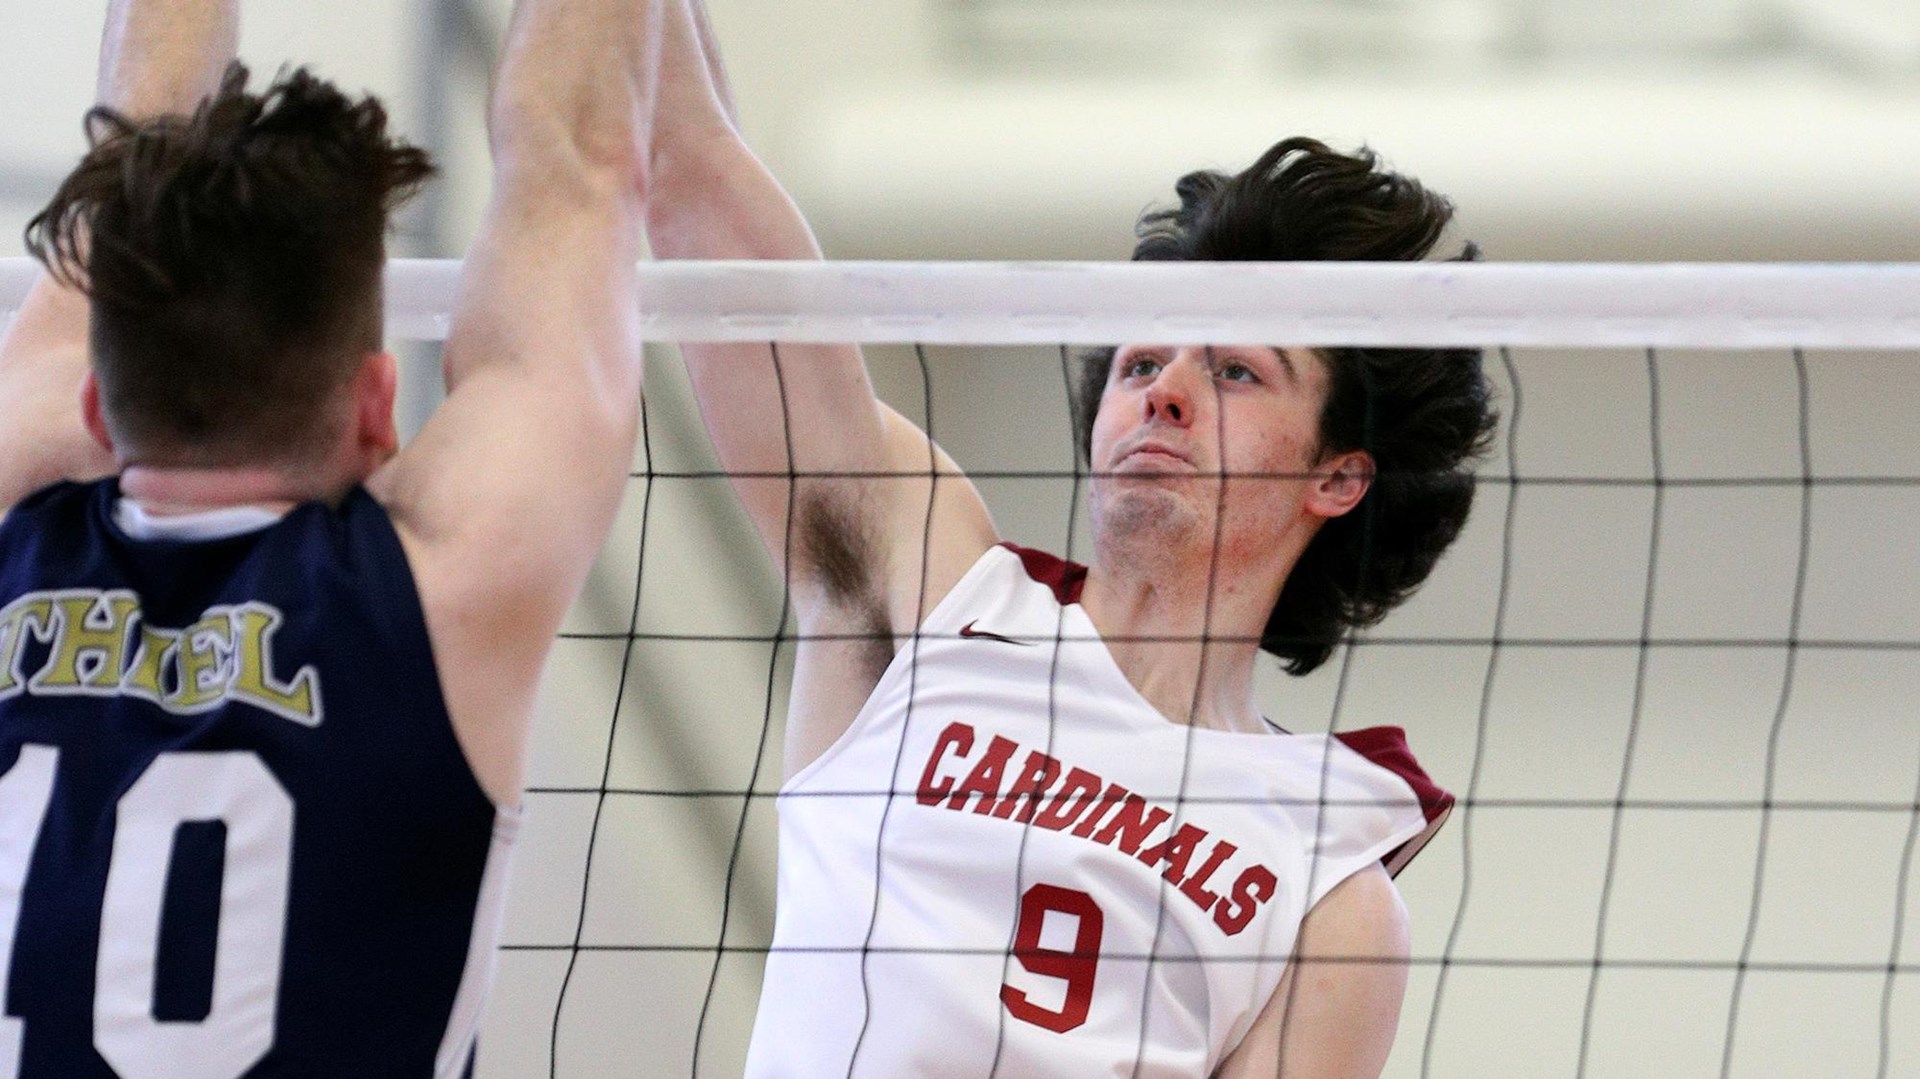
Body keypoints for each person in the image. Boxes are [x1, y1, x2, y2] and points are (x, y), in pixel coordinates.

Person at [644, 2, 1493, 1077]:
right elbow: (694, 187)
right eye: (1142, 364)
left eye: (1234, 371)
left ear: (1338, 474)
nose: (1166, 392)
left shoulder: (1332, 887)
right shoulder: (934, 590)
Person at [0, 0, 660, 1072]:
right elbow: (577, 159)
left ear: (91, 408)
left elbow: (129, 156)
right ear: (376, 405)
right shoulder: (442, 586)